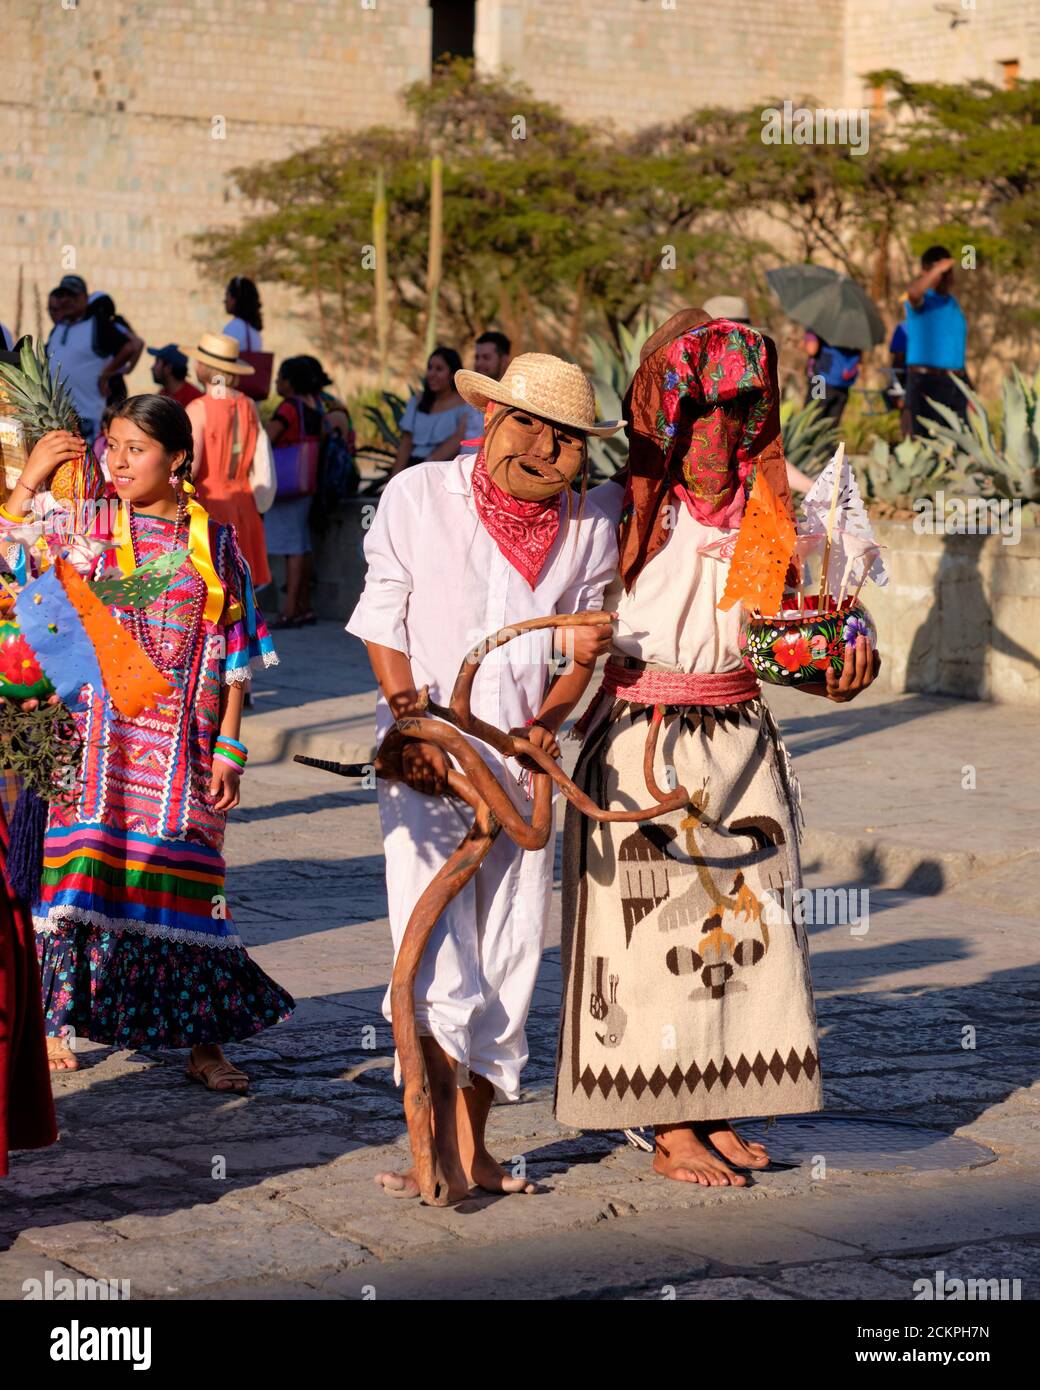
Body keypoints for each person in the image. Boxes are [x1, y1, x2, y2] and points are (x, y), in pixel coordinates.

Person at [555, 309, 879, 1188]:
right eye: (697, 408)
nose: (716, 429)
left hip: (741, 743)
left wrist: (848, 666)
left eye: (737, 407)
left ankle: (715, 1105)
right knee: (654, 934)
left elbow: (794, 636)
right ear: (662, 412)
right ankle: (665, 1126)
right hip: (640, 746)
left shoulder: (778, 506)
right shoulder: (619, 513)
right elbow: (569, 631)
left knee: (743, 932)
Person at [346, 352, 620, 1201]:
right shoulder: (419, 496)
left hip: (523, 769)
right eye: (528, 424)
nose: (542, 447)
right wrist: (410, 720)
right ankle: (432, 1147)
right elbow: (382, 612)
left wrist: (553, 720)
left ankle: (476, 1149)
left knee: (507, 948)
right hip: (429, 759)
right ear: (491, 418)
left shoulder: (588, 528)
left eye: (566, 438)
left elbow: (585, 650)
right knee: (431, 949)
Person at [1, 397, 292, 1092]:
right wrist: (30, 480)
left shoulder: (216, 545)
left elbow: (236, 651)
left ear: (178, 459)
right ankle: (52, 1023)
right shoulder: (88, 527)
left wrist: (231, 745)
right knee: (76, 880)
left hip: (183, 747)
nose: (119, 460)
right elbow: (13, 564)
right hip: (95, 742)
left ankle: (202, 1044)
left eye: (137, 448)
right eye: (113, 445)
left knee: (192, 890)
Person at [182, 332, 270, 589]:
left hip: (212, 506)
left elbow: (192, 467)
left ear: (203, 367)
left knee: (213, 595)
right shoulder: (249, 405)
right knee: (244, 596)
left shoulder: (198, 409)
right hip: (246, 505)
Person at [45, 275, 143, 444]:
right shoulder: (59, 327)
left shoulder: (97, 324)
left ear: (85, 298)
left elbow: (131, 346)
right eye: (62, 296)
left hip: (86, 419)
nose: (66, 300)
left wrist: (106, 374)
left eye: (73, 296)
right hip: (56, 418)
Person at [264, 356, 323, 626]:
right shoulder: (316, 404)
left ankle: (289, 610)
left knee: (292, 548)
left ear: (289, 381)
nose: (276, 382)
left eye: (280, 377)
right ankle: (304, 605)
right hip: (307, 481)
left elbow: (269, 437)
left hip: (288, 485)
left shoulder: (289, 408)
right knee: (302, 544)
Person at [902, 245, 969, 438]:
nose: (947, 276)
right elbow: (914, 293)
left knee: (956, 442)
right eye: (943, 272)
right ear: (926, 272)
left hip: (955, 383)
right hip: (927, 381)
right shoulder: (922, 301)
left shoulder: (952, 302)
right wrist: (937, 270)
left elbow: (955, 346)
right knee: (924, 439)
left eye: (949, 272)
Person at [389, 347, 469, 476]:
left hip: (442, 470)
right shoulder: (417, 402)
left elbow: (457, 440)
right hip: (413, 466)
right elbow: (406, 443)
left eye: (439, 369)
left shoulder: (465, 406)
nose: (432, 374)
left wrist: (425, 467)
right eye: (430, 368)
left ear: (452, 374)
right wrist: (394, 477)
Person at [460, 331, 511, 455]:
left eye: (486, 358)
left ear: (504, 360)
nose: (479, 363)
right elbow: (458, 436)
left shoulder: (513, 399)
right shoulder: (472, 395)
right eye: (477, 357)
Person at [802, 329, 860, 424]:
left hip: (821, 379)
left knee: (811, 420)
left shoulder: (822, 324)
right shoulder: (856, 330)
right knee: (831, 425)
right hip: (843, 385)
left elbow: (812, 350)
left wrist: (806, 340)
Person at [149, 343, 202, 408]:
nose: (152, 368)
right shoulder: (163, 394)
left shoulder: (194, 400)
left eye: (157, 362)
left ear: (168, 368)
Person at [223, 276, 264, 353]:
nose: (225, 300)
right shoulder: (254, 331)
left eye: (227, 295)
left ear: (235, 299)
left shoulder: (235, 326)